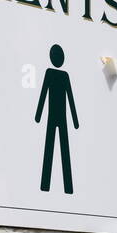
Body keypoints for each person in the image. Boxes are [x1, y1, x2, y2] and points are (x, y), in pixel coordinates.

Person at [35, 43, 79, 194]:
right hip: (57, 116)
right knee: (55, 148)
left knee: (57, 148)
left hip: (57, 117)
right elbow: (43, 94)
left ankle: (59, 186)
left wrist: (75, 119)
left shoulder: (60, 75)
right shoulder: (54, 74)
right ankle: (54, 186)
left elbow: (70, 98)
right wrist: (38, 114)